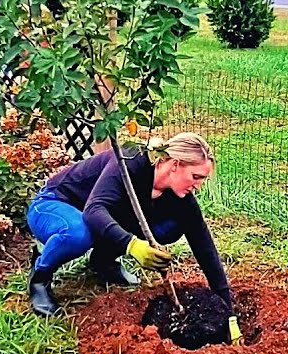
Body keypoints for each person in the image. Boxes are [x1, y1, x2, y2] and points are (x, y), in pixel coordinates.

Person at [24, 132, 232, 317]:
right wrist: (132, 245)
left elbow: (203, 243)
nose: (198, 186)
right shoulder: (130, 161)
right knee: (79, 233)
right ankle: (40, 277)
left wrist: (226, 306)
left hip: (95, 217)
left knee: (169, 227)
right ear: (175, 164)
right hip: (55, 205)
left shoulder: (179, 196)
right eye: (196, 177)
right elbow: (94, 210)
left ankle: (102, 261)